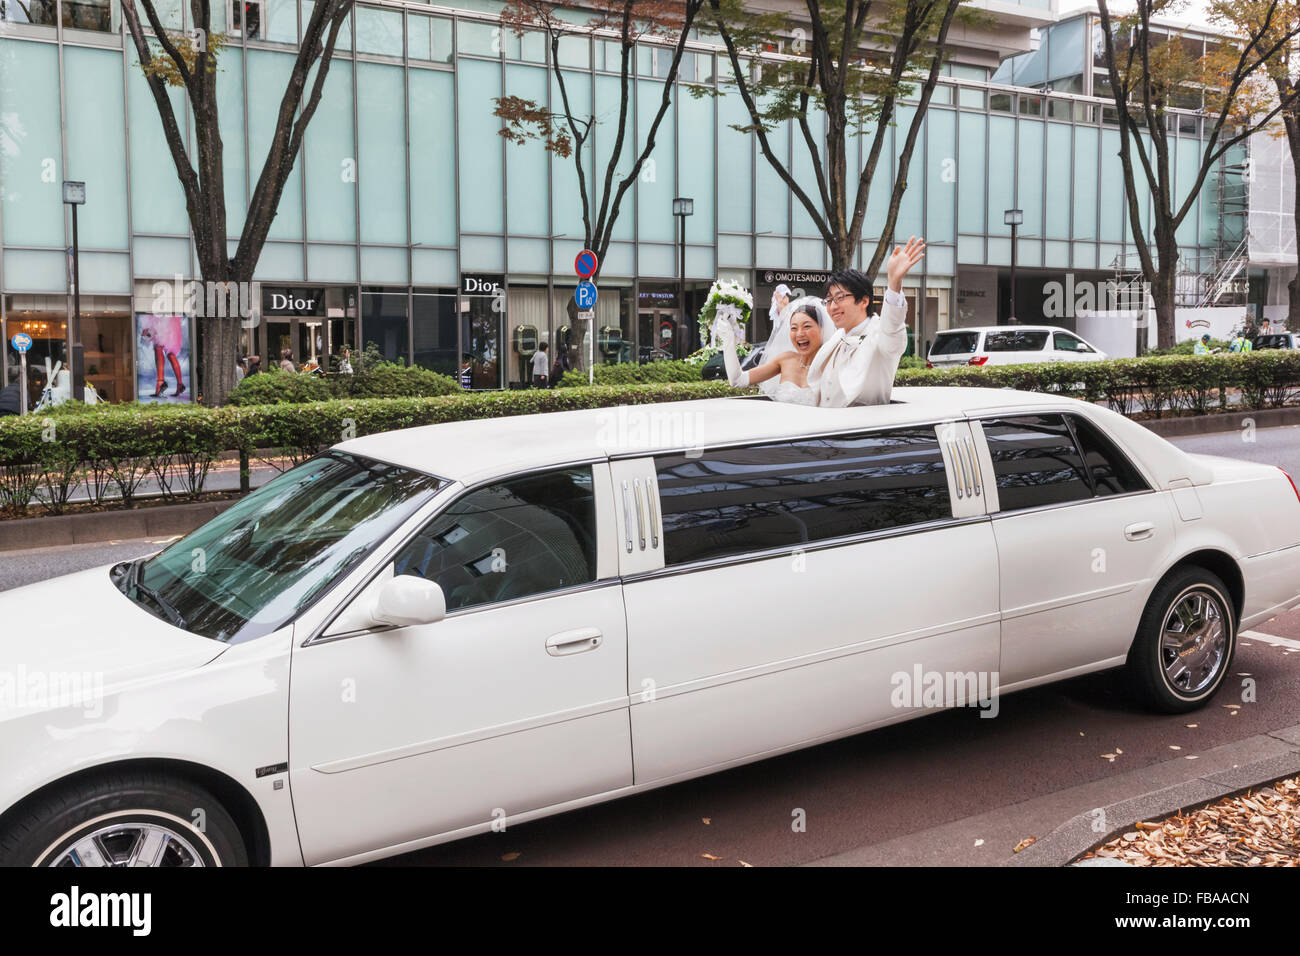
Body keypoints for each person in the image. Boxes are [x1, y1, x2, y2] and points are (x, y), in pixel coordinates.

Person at [808, 237, 925, 407]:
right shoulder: (836, 338)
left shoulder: (880, 335)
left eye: (840, 298)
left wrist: (894, 283)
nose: (833, 306)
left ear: (864, 301)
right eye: (829, 300)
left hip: (865, 430)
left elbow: (892, 329)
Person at [718, 298, 834, 406]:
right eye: (794, 328)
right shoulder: (786, 360)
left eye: (807, 326)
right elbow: (737, 380)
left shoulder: (832, 363)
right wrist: (729, 340)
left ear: (822, 329)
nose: (799, 334)